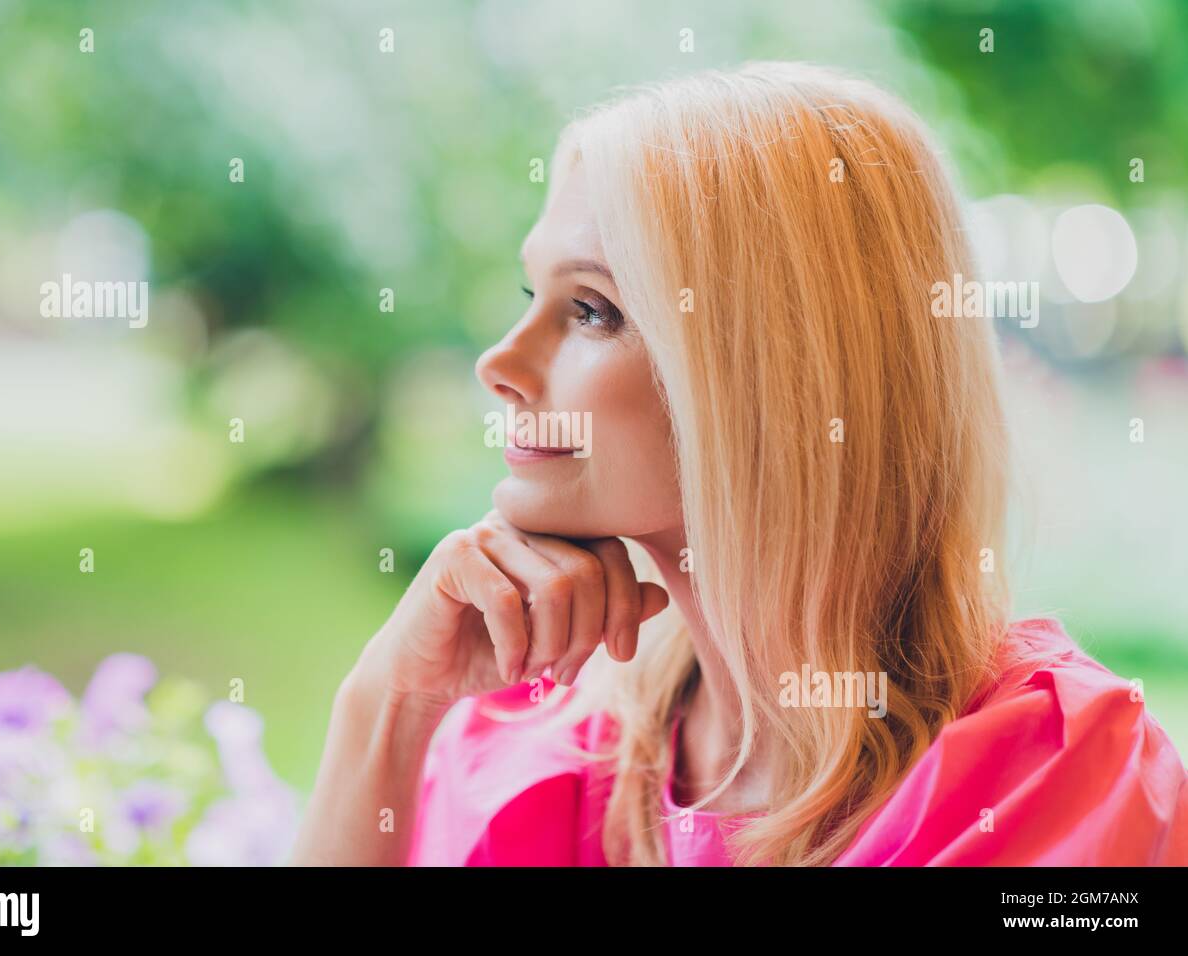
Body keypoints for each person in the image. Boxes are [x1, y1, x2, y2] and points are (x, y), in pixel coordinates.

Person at [291, 61, 1188, 866]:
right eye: (535, 294)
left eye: (593, 310)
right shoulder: (530, 743)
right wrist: (387, 705)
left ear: (779, 372)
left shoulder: (1064, 779)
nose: (500, 362)